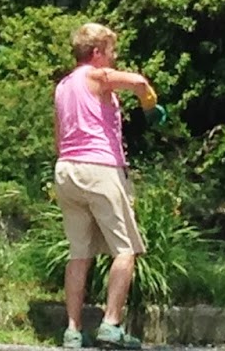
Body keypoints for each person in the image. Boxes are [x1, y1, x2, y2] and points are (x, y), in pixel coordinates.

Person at [53, 22, 157, 350]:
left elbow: (59, 137)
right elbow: (139, 82)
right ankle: (110, 324)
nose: (114, 58)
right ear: (96, 53)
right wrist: (151, 106)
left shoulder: (63, 86)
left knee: (79, 253)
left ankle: (72, 330)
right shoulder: (96, 76)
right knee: (125, 249)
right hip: (100, 168)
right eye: (111, 51)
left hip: (67, 170)